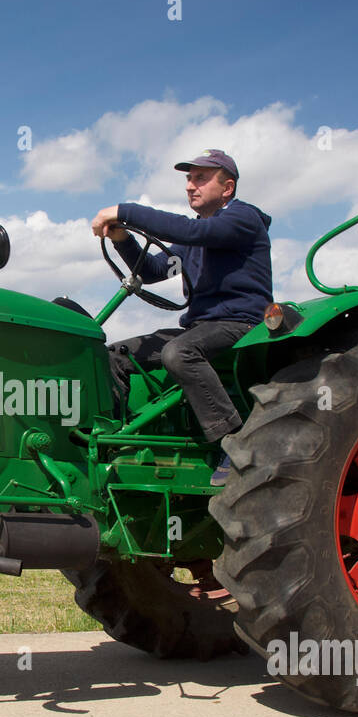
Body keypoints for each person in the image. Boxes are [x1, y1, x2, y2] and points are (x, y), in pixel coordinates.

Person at [90, 148, 273, 482]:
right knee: (116, 355)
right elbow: (155, 268)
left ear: (227, 188)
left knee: (180, 352)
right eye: (189, 179)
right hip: (201, 327)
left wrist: (124, 211)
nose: (190, 185)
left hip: (242, 324)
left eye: (200, 178)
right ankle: (114, 439)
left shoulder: (242, 220)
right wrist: (122, 237)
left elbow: (190, 232)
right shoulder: (198, 235)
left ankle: (233, 442)